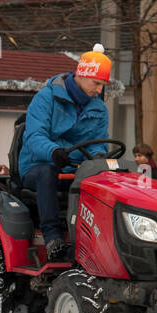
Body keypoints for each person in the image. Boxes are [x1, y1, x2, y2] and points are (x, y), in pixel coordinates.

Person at [19, 44, 112, 261]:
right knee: (47, 173)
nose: (99, 90)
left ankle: (97, 239)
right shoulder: (46, 98)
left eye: (102, 85)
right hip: (37, 165)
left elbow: (97, 143)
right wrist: (54, 152)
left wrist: (98, 156)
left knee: (103, 178)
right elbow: (34, 137)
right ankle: (53, 239)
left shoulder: (99, 109)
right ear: (81, 75)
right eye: (96, 83)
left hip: (76, 168)